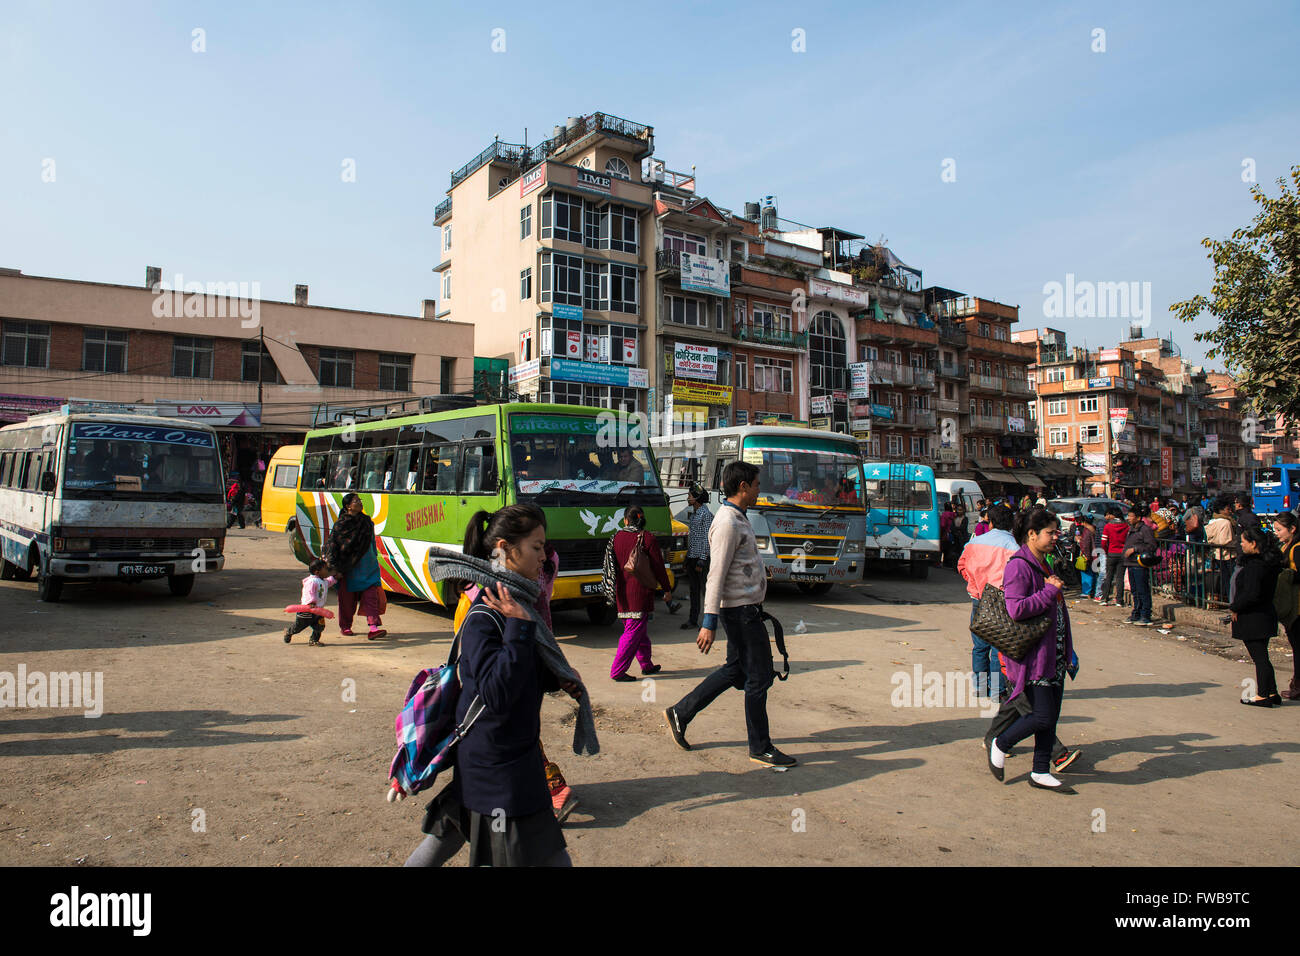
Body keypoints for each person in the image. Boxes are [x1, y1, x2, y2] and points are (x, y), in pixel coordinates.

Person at [406, 504, 577, 867]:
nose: (544, 557)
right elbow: (496, 694)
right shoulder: (486, 614)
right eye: (536, 547)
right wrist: (518, 630)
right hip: (499, 771)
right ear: (505, 548)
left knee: (442, 843)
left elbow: (522, 682)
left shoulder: (519, 605)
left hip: (506, 760)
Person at [664, 461, 794, 768]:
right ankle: (760, 746)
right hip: (740, 614)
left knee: (736, 671)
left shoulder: (738, 517)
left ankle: (681, 712)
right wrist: (708, 622)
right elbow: (716, 574)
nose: (760, 490)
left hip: (745, 610)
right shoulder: (727, 522)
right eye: (757, 485)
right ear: (743, 487)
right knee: (759, 677)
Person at [988, 508, 1075, 791]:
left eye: (1056, 531)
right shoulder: (1019, 566)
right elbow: (1016, 609)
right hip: (1035, 657)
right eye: (1050, 532)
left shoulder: (1044, 564)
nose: (1055, 537)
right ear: (1031, 534)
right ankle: (1001, 743)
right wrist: (1049, 591)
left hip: (1055, 654)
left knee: (1051, 718)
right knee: (1042, 716)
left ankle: (1040, 771)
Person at [958, 503, 1018, 699]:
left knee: (980, 646)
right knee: (998, 646)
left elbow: (961, 566)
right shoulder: (1014, 547)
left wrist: (974, 583)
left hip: (978, 598)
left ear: (990, 522)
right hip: (1002, 601)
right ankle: (997, 690)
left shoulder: (974, 543)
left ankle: (980, 687)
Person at [609, 505, 673, 681]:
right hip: (640, 594)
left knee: (638, 631)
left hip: (622, 593)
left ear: (626, 520)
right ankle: (617, 671)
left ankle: (646, 665)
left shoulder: (616, 537)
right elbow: (659, 567)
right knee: (633, 632)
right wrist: (666, 589)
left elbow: (611, 567)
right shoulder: (648, 538)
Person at [325, 493, 387, 640]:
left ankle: (373, 628)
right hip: (348, 567)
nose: (359, 503)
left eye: (360, 500)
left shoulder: (366, 522)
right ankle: (345, 626)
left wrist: (374, 557)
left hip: (368, 565)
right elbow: (333, 545)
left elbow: (371, 542)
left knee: (371, 597)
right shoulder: (341, 524)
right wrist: (335, 568)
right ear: (348, 506)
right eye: (356, 501)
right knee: (347, 601)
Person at [1232, 526, 1283, 707]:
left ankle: (1263, 694)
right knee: (1263, 656)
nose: (1241, 544)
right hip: (1265, 614)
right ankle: (1271, 691)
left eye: (1244, 541)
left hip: (1253, 617)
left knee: (1259, 658)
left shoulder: (1255, 566)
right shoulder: (1268, 564)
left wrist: (1235, 607)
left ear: (1253, 544)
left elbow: (1251, 594)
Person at [1272, 513, 1300, 699]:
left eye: (1279, 530)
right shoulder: (1286, 546)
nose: (1277, 534)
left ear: (1292, 529)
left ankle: (1297, 686)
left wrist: (1286, 574)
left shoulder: (1296, 549)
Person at [682, 485, 713, 630]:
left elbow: (707, 539)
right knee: (694, 591)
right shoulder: (695, 514)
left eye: (690, 496)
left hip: (702, 558)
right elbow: (694, 538)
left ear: (697, 499)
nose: (688, 498)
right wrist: (688, 557)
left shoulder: (706, 515)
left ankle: (709, 623)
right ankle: (692, 620)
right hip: (693, 557)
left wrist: (702, 559)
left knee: (706, 592)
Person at [284, 559, 336, 645]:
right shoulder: (312, 581)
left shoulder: (323, 580)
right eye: (325, 569)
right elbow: (309, 592)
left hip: (318, 611)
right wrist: (311, 602)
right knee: (299, 627)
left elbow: (329, 582)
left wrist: (335, 577)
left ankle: (314, 640)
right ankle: (289, 632)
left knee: (320, 627)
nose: (327, 571)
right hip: (307, 610)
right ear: (317, 572)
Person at [1122, 506, 1157, 626]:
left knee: (1143, 590)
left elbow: (1152, 546)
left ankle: (1145, 615)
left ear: (1138, 518)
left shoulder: (1145, 530)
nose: (1129, 518)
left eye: (1131, 516)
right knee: (1135, 591)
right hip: (1130, 563)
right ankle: (1136, 613)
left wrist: (1134, 549)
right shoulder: (1131, 529)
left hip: (1139, 563)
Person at [1206, 494, 1238, 604]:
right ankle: (1232, 602)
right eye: (1228, 509)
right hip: (1228, 555)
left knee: (1226, 579)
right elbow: (1225, 540)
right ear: (1222, 510)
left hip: (1217, 554)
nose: (1230, 511)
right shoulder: (1226, 522)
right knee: (1232, 581)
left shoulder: (1212, 521)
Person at [1098, 509, 1129, 607]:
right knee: (1120, 578)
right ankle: (1119, 600)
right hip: (1122, 554)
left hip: (1111, 553)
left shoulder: (1108, 526)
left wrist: (1107, 551)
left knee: (1108, 576)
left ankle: (1104, 598)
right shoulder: (1126, 526)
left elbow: (1103, 542)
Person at [1074, 516, 1097, 599]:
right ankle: (1092, 591)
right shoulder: (1094, 529)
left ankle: (1087, 592)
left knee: (1086, 574)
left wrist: (1086, 556)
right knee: (1093, 574)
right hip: (1095, 555)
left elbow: (1086, 545)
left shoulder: (1087, 531)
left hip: (1088, 555)